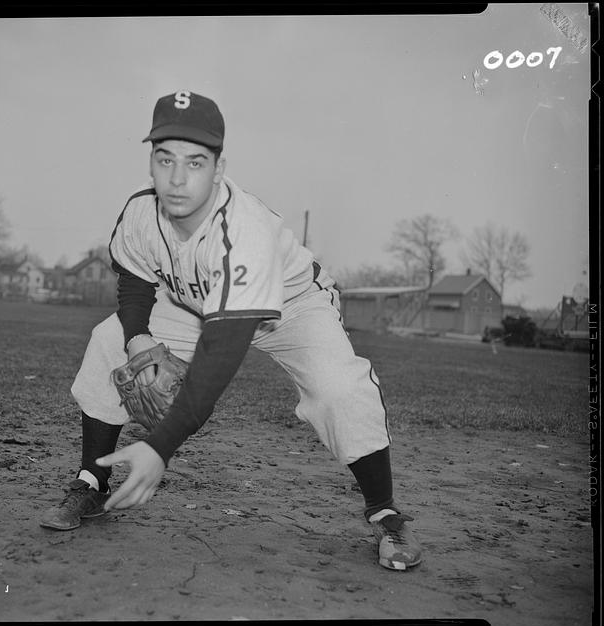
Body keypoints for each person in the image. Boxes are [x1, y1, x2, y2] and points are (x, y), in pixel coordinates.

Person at [39, 90, 422, 571]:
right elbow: (136, 282)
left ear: (219, 168)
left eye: (195, 162)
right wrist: (137, 339)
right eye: (165, 159)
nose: (177, 179)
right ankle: (91, 484)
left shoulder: (245, 232)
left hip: (290, 304)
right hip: (196, 304)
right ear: (151, 161)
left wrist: (160, 447)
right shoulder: (141, 213)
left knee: (338, 390)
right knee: (108, 341)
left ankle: (386, 514)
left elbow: (219, 357)